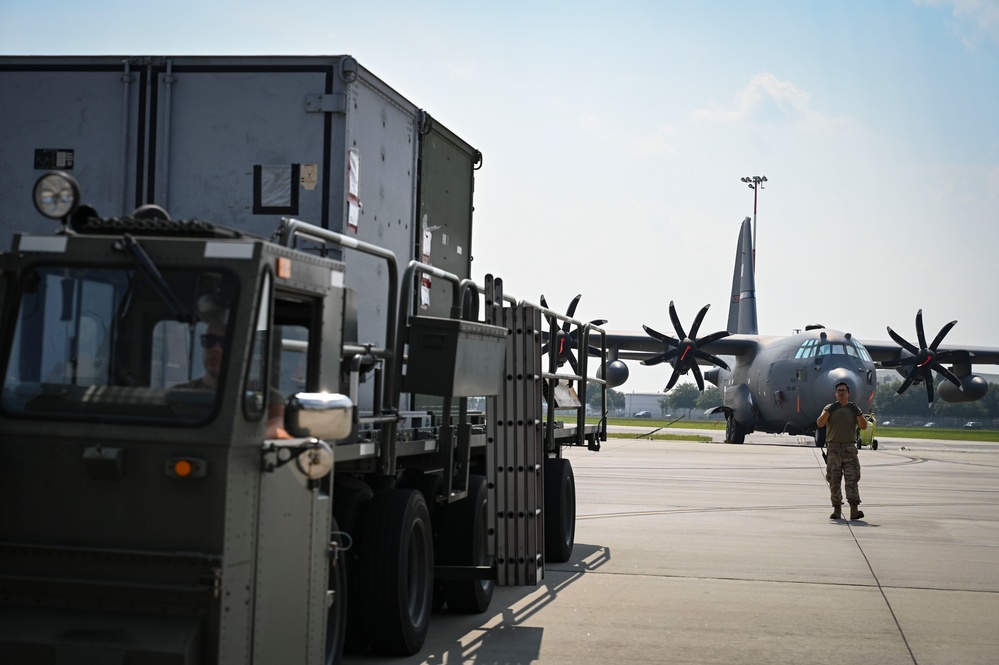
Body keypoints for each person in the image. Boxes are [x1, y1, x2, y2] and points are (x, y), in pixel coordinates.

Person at [176, 322, 290, 439]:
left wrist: (246, 439)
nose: (215, 349)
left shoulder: (265, 395)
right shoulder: (179, 394)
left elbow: (279, 424)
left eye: (225, 343)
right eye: (209, 340)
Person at [816, 382, 867, 520]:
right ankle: (837, 509)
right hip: (833, 448)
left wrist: (859, 413)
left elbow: (863, 426)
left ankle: (854, 509)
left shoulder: (853, 409)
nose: (841, 393)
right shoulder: (829, 408)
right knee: (834, 480)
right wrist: (829, 410)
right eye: (839, 391)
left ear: (848, 393)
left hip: (849, 448)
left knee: (852, 479)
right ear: (835, 393)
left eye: (844, 391)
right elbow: (820, 423)